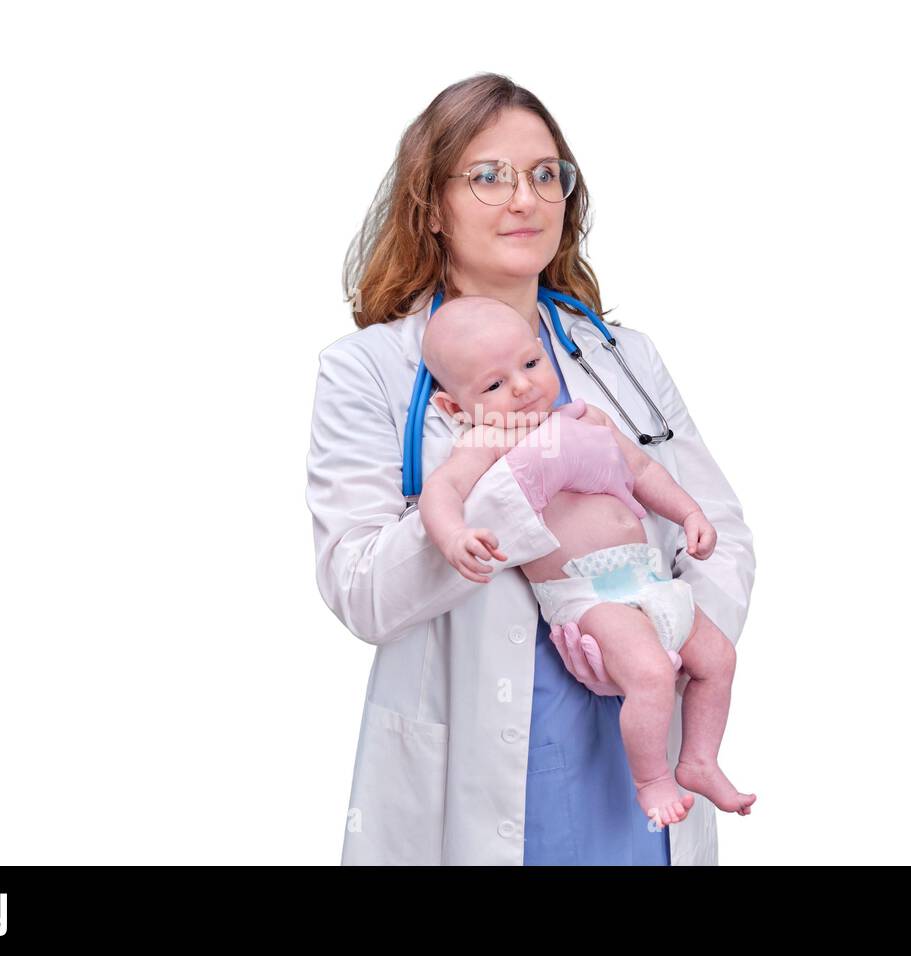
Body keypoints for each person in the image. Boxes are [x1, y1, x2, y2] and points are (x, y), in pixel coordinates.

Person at [307, 73, 756, 865]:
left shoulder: (619, 355)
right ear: (431, 204)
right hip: (483, 749)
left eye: (546, 174)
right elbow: (360, 589)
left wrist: (678, 638)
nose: (525, 199)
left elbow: (719, 528)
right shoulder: (368, 369)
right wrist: (520, 485)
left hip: (640, 724)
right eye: (489, 176)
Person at [418, 295, 757, 827]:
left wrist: (690, 513)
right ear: (454, 408)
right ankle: (653, 780)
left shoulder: (585, 416)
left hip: (648, 575)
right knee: (647, 673)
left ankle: (699, 759)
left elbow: (643, 470)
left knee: (718, 660)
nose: (523, 386)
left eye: (530, 364)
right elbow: (441, 491)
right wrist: (454, 534)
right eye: (493, 385)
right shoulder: (487, 441)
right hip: (587, 593)